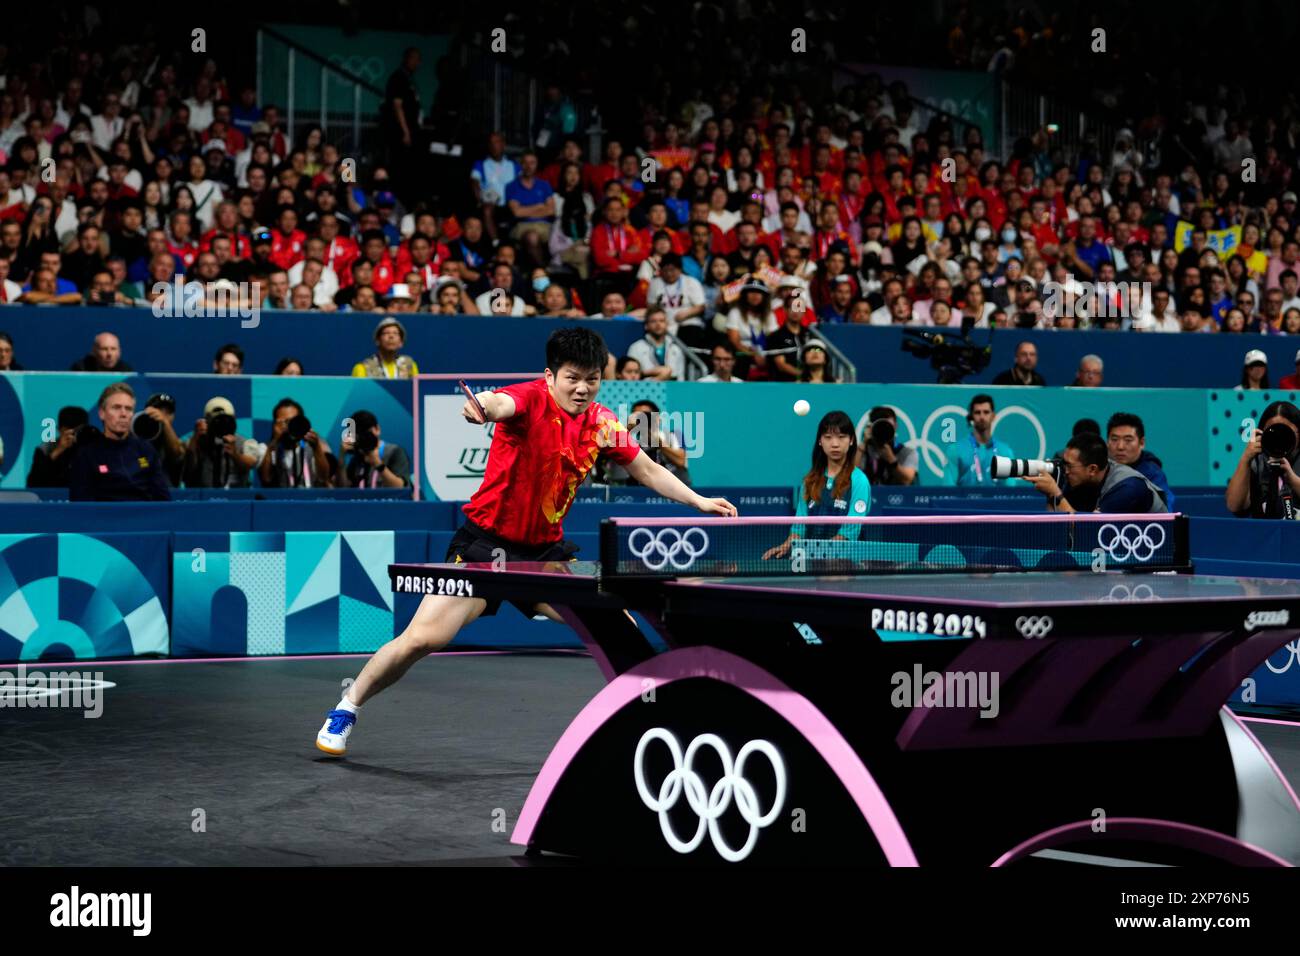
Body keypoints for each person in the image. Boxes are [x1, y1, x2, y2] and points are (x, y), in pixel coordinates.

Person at [317, 328, 736, 756]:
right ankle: (347, 706)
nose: (583, 388)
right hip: (484, 548)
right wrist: (482, 409)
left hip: (544, 558)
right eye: (573, 377)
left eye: (592, 378)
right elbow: (500, 402)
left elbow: (647, 470)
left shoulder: (602, 423)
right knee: (424, 639)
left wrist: (698, 501)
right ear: (550, 375)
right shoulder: (530, 399)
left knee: (618, 624)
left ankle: (658, 717)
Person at [762, 410, 872, 560]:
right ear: (820, 441)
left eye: (841, 437)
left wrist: (816, 553)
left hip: (845, 563)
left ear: (851, 440)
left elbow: (850, 530)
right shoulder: (810, 481)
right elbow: (800, 524)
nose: (835, 444)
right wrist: (787, 545)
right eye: (828, 437)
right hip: (811, 560)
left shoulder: (859, 481)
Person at [67, 383, 171, 501]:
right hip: (103, 517)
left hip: (143, 517)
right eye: (116, 408)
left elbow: (163, 500)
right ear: (102, 413)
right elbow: (80, 505)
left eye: (128, 409)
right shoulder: (87, 454)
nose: (123, 414)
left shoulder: (146, 450)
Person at [1022, 432, 1169, 514]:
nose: (1064, 470)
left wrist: (1056, 493)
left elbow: (1090, 532)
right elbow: (1058, 525)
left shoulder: (1127, 487)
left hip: (1156, 558)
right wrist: (1051, 496)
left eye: (1069, 466)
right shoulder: (1079, 481)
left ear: (1092, 469)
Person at [1226, 400, 1300, 519]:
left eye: (1286, 431)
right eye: (1274, 432)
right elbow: (1234, 506)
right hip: (1264, 535)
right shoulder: (1257, 462)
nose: (1279, 438)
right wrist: (1246, 458)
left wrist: (1292, 479)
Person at [182, 396, 261, 488]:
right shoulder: (195, 442)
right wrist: (196, 438)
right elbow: (186, 469)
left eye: (225, 420)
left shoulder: (245, 443)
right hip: (202, 498)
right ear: (207, 421)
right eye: (216, 420)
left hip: (236, 498)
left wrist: (234, 454)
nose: (221, 424)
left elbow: (250, 464)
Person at [1106, 412, 1174, 511]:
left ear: (1142, 443)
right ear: (1107, 441)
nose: (1120, 446)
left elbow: (1165, 511)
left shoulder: (1153, 474)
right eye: (1114, 439)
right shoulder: (1099, 469)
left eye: (1128, 440)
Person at [259, 398, 333, 488]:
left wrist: (316, 448)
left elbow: (324, 477)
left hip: (311, 499)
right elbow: (266, 479)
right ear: (275, 424)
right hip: (282, 500)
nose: (288, 426)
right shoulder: (267, 449)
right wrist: (273, 443)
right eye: (284, 422)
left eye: (292, 421)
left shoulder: (317, 445)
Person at [946, 393, 1015, 486]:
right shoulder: (955, 450)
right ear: (971, 417)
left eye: (986, 412)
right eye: (977, 412)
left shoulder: (1005, 451)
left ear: (993, 416)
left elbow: (1011, 491)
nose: (982, 417)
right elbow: (948, 490)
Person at [341, 409, 412, 488]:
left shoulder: (395, 452)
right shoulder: (357, 457)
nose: (363, 438)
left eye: (366, 433)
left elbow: (401, 488)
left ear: (377, 429)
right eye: (358, 435)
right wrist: (341, 457)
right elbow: (343, 488)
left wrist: (378, 464)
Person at [26, 405, 89, 488]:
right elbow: (33, 484)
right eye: (68, 431)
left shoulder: (93, 448)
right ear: (59, 429)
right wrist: (58, 450)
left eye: (78, 430)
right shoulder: (46, 448)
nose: (72, 435)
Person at [857, 406, 918, 486]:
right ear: (871, 427)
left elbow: (907, 480)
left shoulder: (907, 452)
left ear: (895, 426)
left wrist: (891, 460)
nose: (883, 430)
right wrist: (863, 444)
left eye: (887, 425)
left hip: (897, 496)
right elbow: (850, 478)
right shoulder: (861, 451)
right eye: (880, 426)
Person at [626, 308, 687, 381]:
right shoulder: (636, 347)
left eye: (662, 321)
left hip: (672, 389)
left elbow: (680, 378)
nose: (658, 324)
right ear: (646, 326)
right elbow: (631, 375)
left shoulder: (676, 349)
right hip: (645, 388)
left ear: (667, 324)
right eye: (653, 321)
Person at [351, 317, 419, 378]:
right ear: (377, 340)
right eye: (386, 333)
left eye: (395, 333)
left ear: (401, 342)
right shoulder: (363, 368)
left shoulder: (410, 366)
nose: (391, 336)